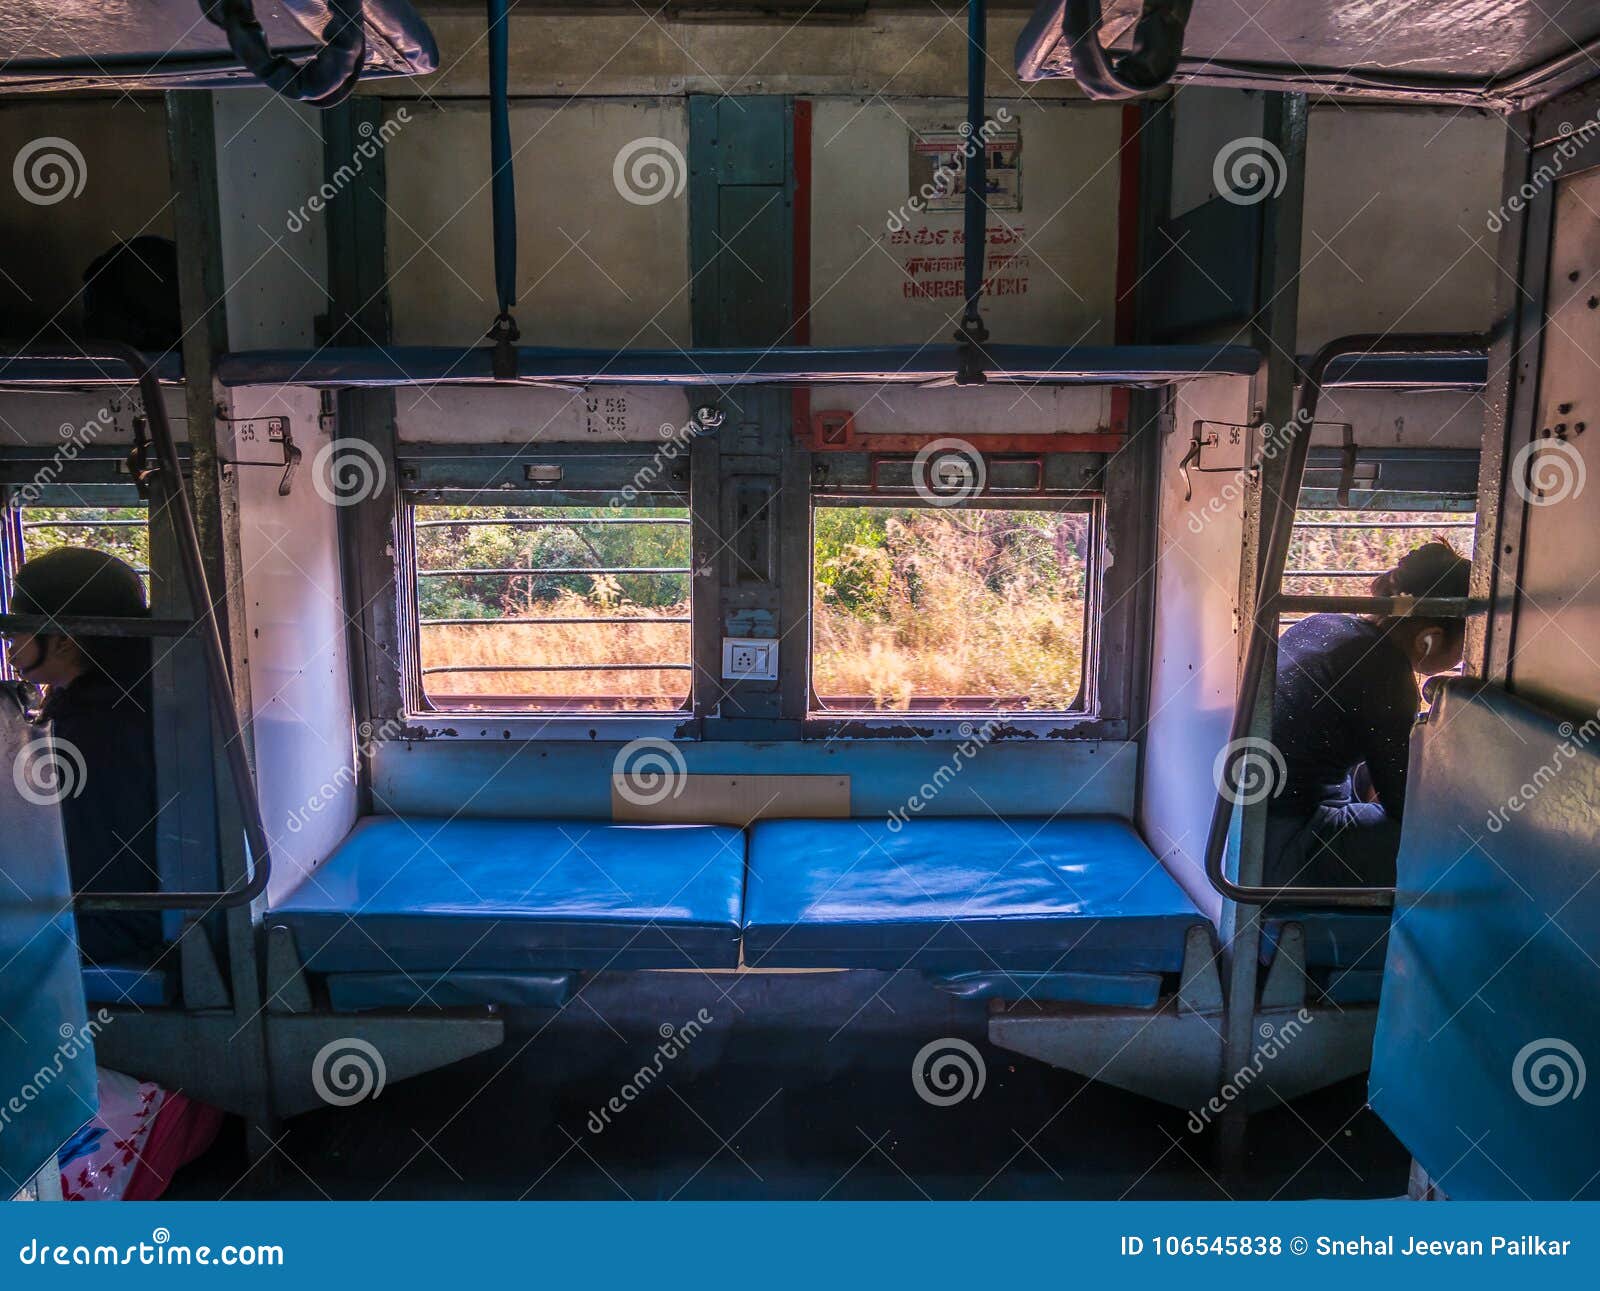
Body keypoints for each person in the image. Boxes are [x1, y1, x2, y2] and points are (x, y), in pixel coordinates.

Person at [1264, 539, 1471, 889]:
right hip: (1285, 849)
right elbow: (1409, 810)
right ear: (1430, 638)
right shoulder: (1387, 671)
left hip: (1252, 826)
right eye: (1464, 646)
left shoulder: (1324, 624)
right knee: (1459, 845)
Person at [4, 547, 163, 963]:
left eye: (17, 631)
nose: (10, 647)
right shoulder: (139, 697)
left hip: (101, 931)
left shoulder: (89, 728)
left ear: (62, 641)